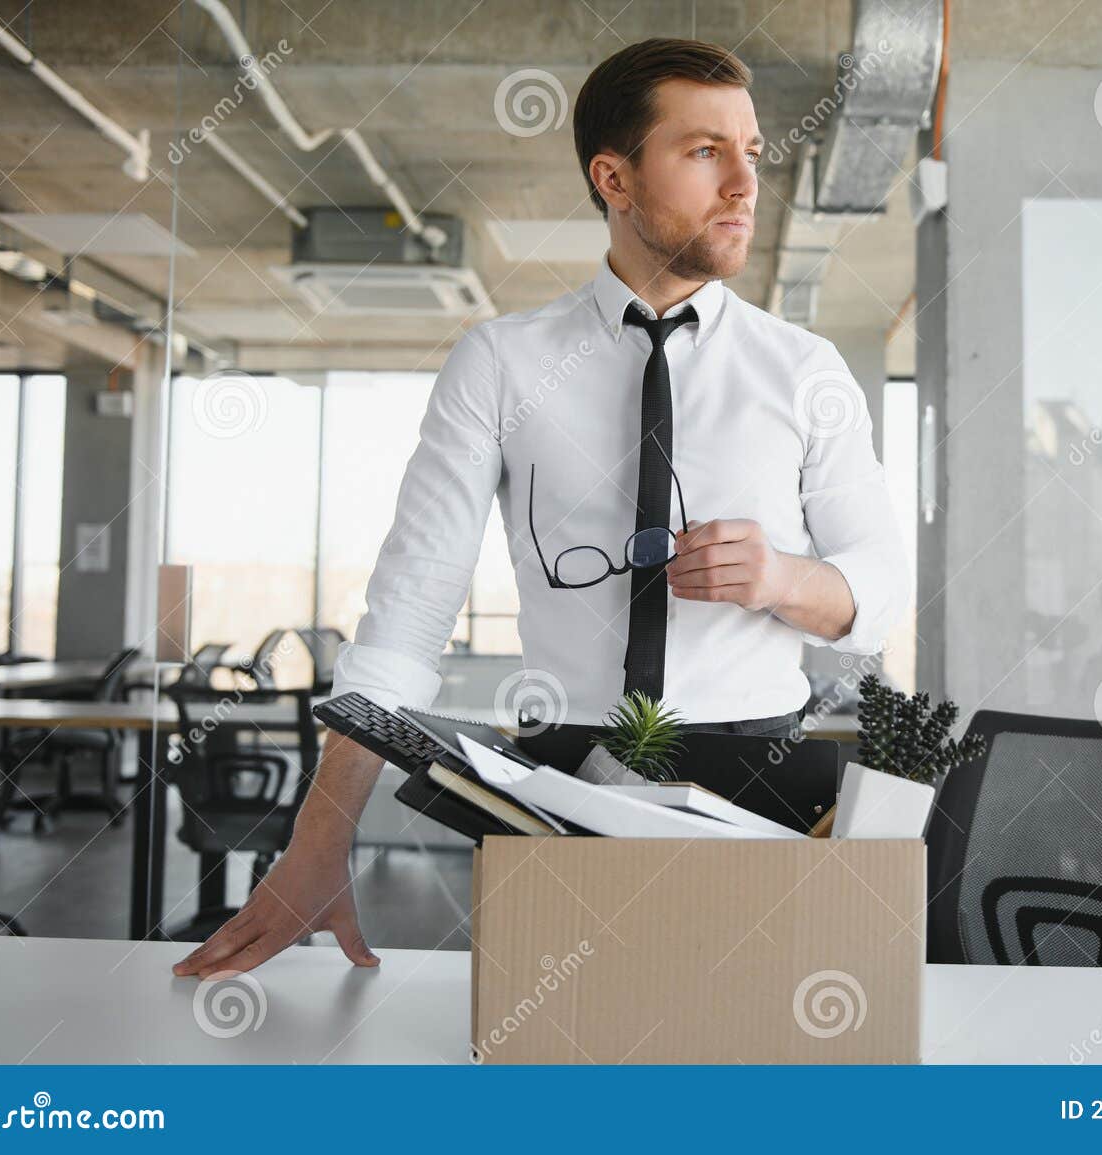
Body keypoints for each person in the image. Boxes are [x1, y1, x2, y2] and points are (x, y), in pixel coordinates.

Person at [173, 37, 907, 979]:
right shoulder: (501, 362)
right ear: (615, 177)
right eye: (703, 151)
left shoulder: (805, 371)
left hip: (764, 785)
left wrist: (785, 579)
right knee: (556, 1069)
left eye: (752, 152)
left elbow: (879, 592)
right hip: (556, 784)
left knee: (755, 1078)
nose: (743, 183)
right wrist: (320, 838)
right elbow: (407, 615)